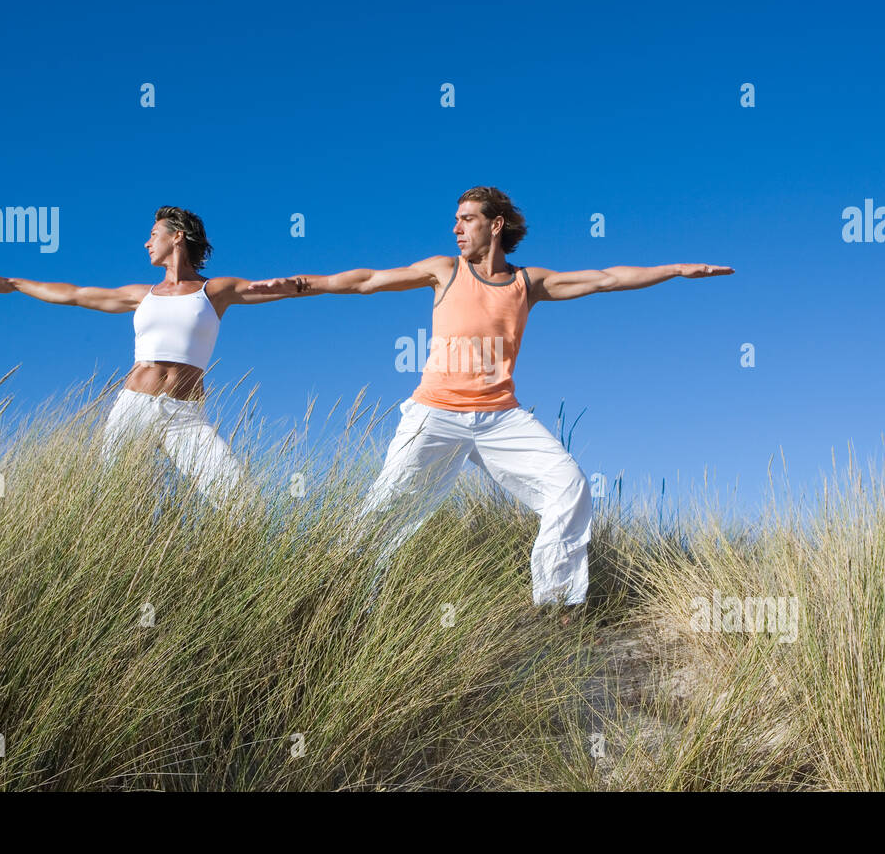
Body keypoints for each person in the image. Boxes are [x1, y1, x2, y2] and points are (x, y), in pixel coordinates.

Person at [247, 186, 734, 609]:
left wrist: (675, 269)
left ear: (495, 225)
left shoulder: (528, 282)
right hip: (435, 413)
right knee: (385, 508)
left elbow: (606, 278)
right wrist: (297, 285)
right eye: (455, 220)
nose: (455, 228)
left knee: (570, 487)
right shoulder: (444, 271)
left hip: (501, 417)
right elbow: (366, 280)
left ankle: (555, 604)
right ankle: (339, 595)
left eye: (467, 219)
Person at [0, 205, 290, 511]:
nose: (147, 242)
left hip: (185, 416)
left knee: (240, 498)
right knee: (118, 504)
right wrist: (14, 284)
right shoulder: (142, 295)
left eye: (154, 234)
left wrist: (337, 284)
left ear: (177, 236)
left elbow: (298, 288)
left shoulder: (214, 291)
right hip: (133, 408)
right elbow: (75, 294)